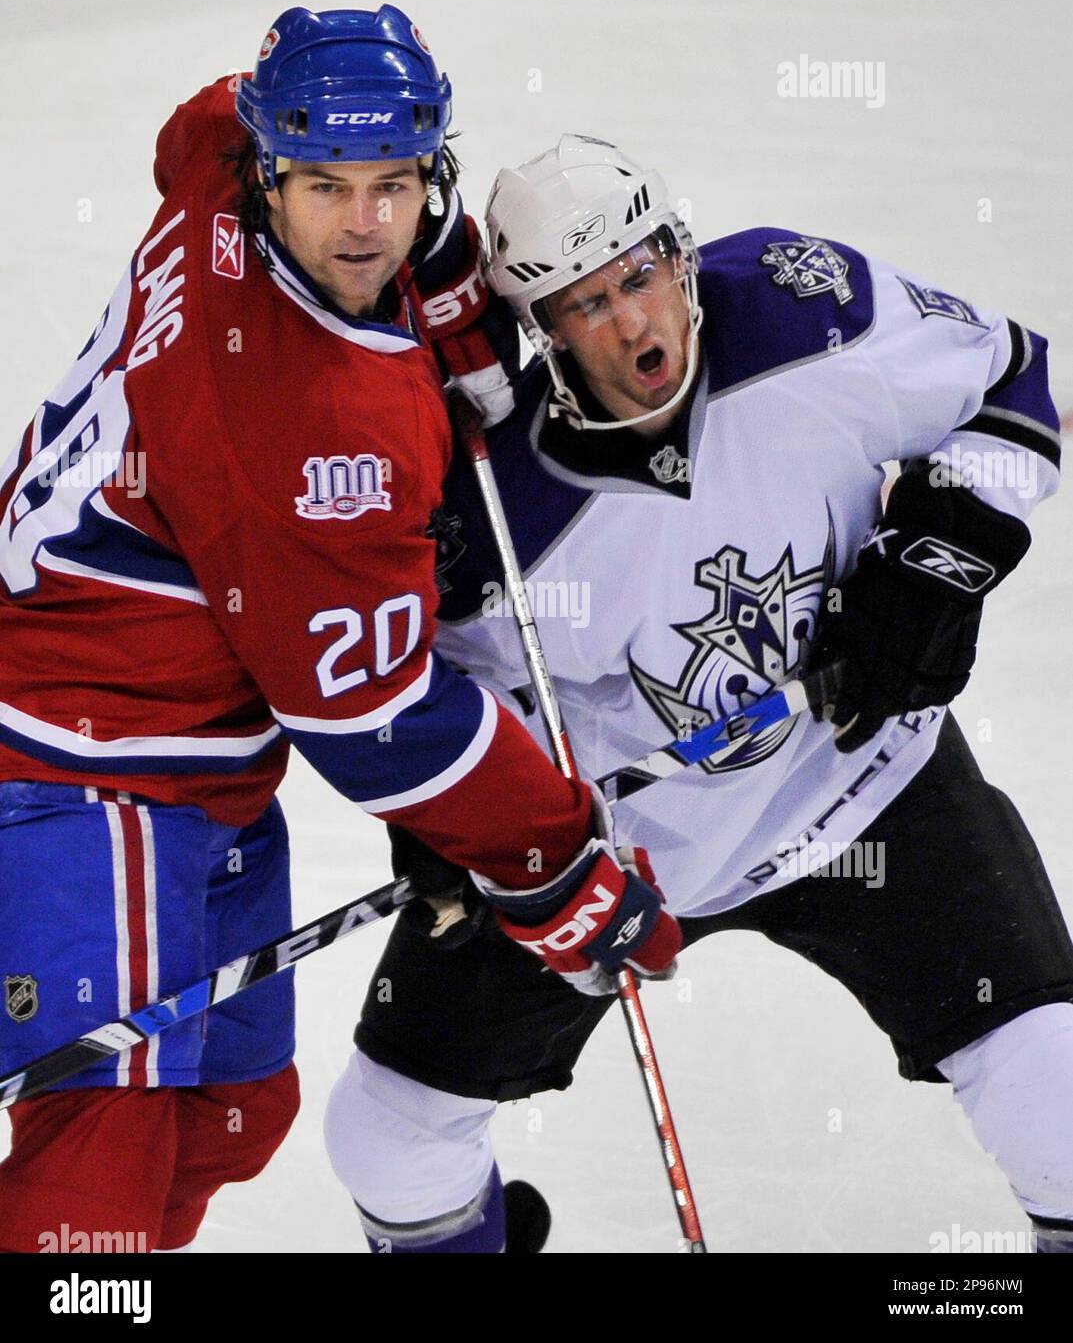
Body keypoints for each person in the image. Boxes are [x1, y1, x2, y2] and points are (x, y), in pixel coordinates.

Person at [0, 21, 682, 1253]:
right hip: (77, 757)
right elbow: (374, 718)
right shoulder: (314, 431)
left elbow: (192, 124)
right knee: (106, 1134)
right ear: (273, 174)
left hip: (177, 744)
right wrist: (552, 865)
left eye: (395, 186)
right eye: (326, 188)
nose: (364, 227)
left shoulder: (222, 160)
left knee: (233, 1107)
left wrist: (450, 286)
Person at [324, 135, 1073, 1254]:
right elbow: (440, 706)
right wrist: (455, 829)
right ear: (541, 331)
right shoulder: (495, 513)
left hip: (866, 781)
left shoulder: (796, 309)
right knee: (384, 1140)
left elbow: (1017, 379)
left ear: (680, 254)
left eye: (642, 274)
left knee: (1060, 1113)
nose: (635, 324)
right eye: (586, 304)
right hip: (611, 857)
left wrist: (941, 552)